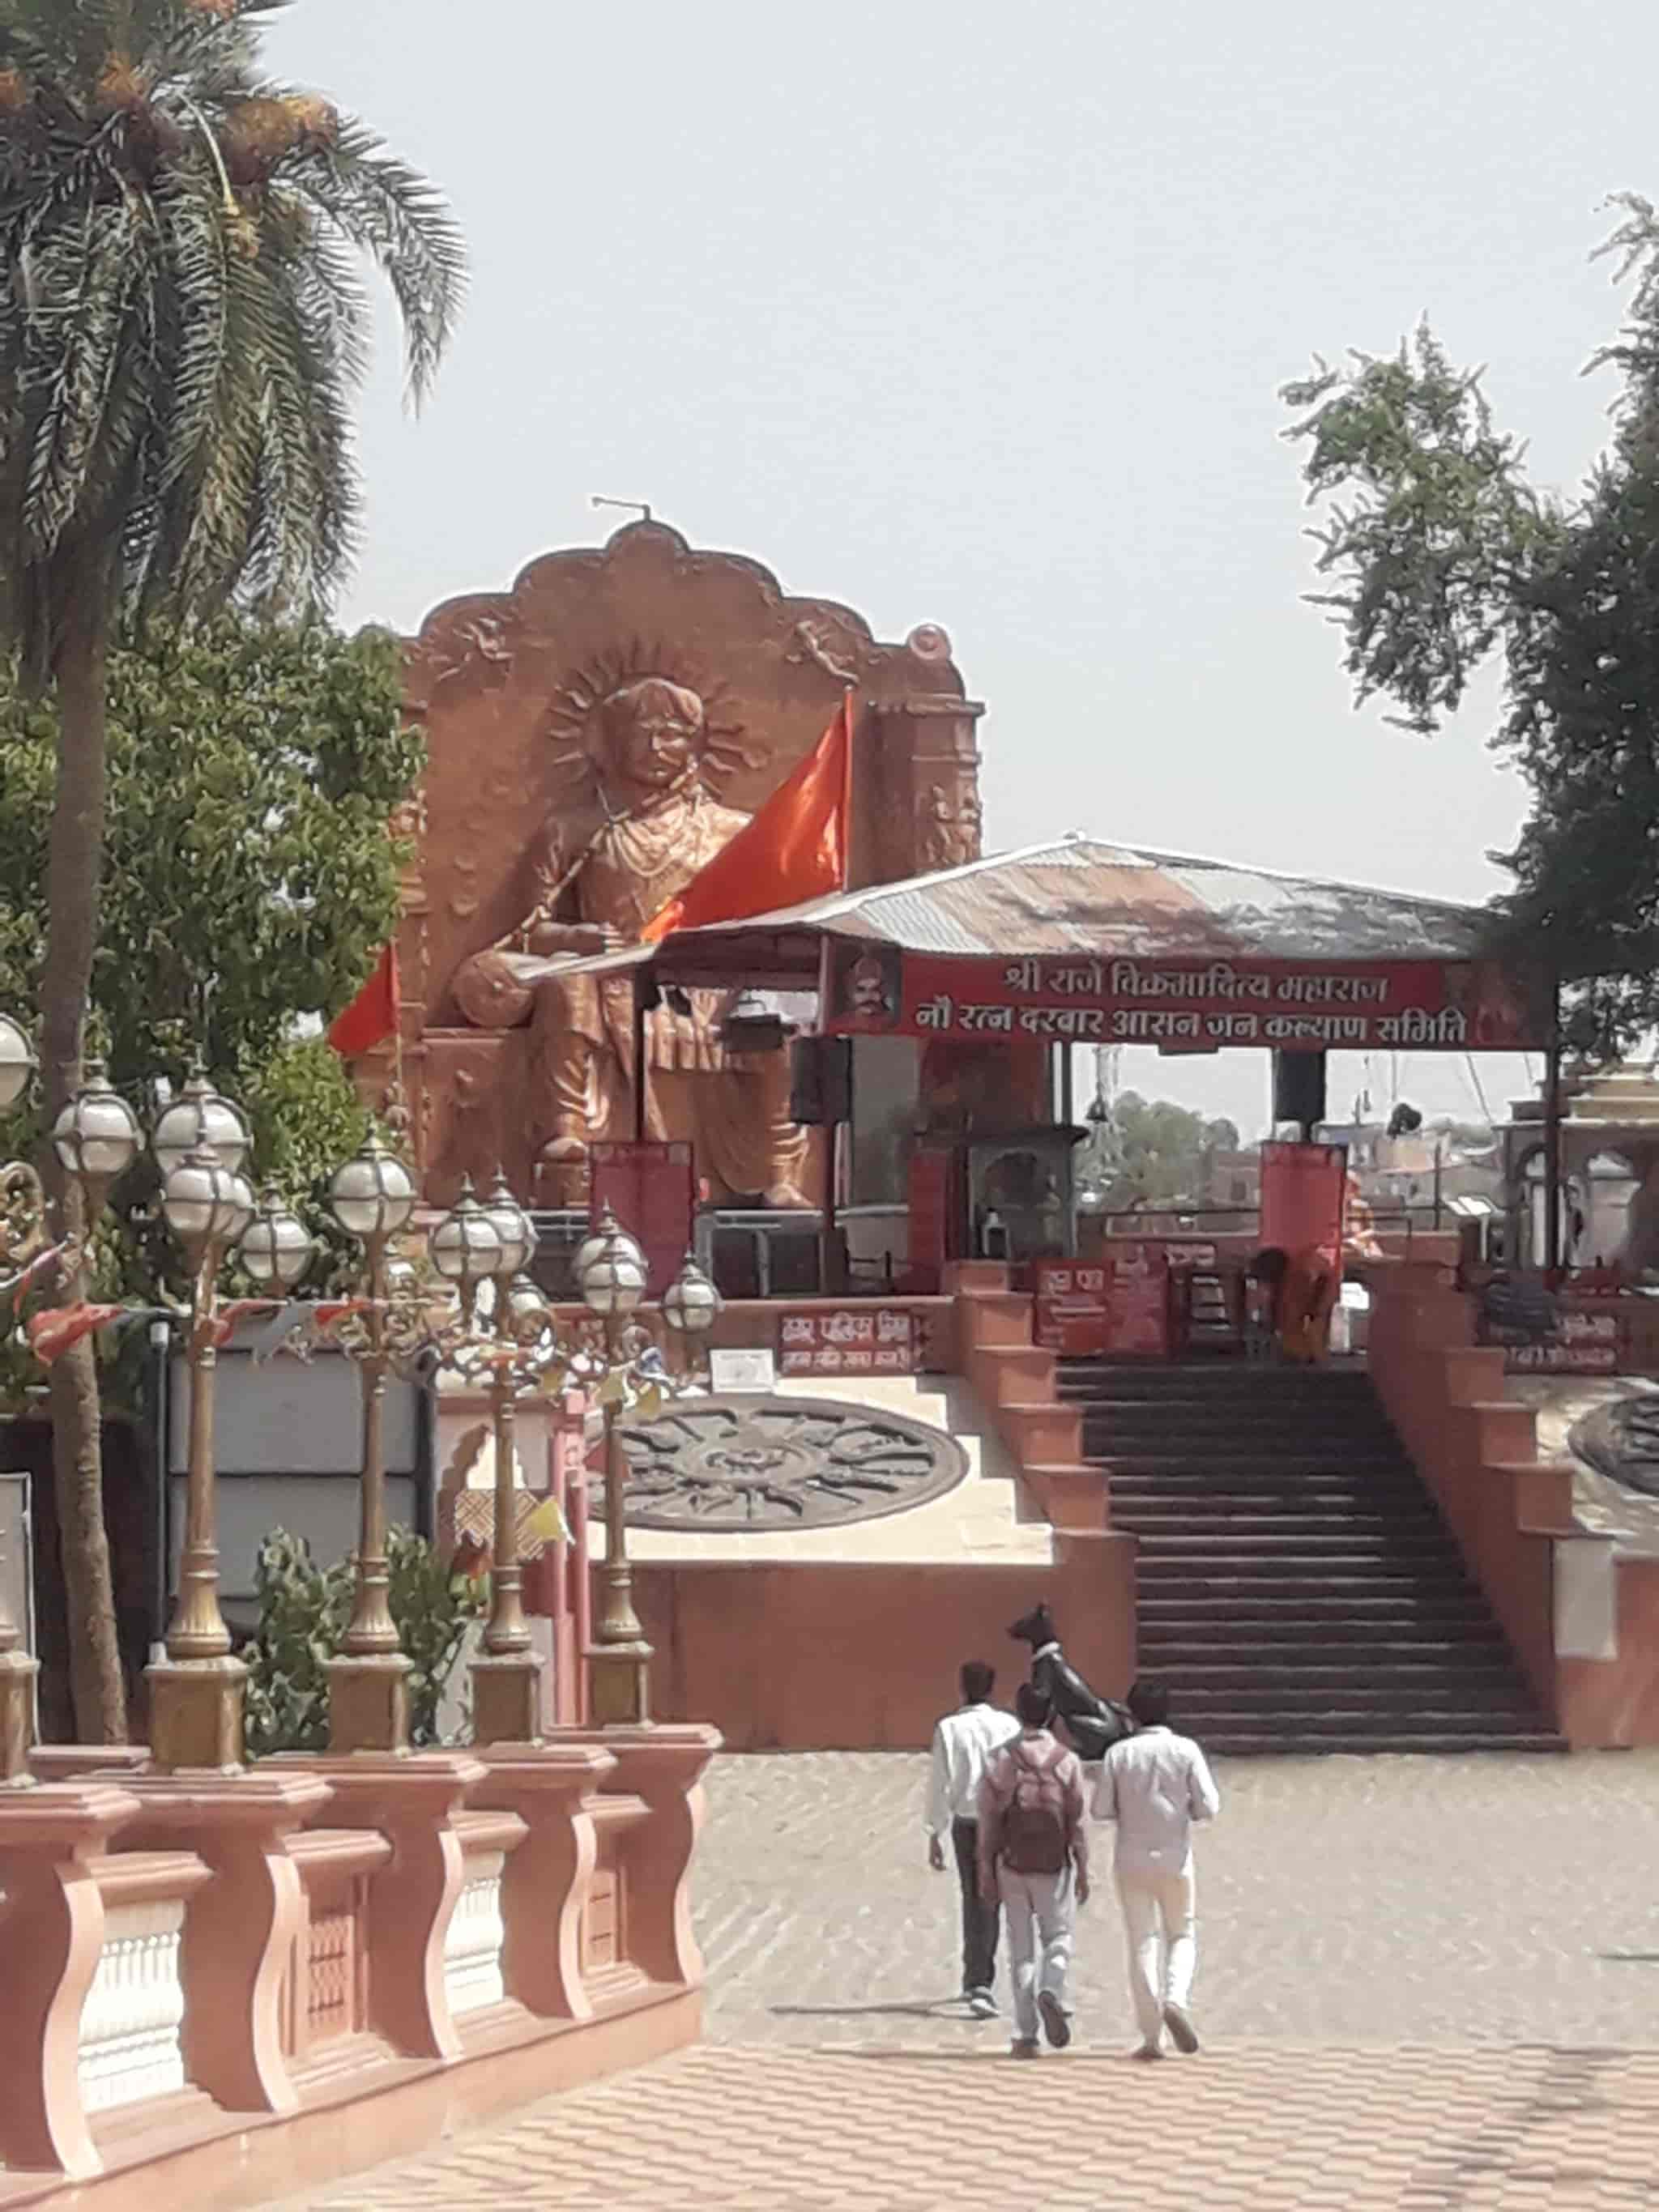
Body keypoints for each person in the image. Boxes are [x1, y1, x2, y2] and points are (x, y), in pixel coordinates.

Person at [1093, 1677, 1220, 2061]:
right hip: (1175, 1857)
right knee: (1182, 1933)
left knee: (1141, 1942)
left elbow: (1100, 1809)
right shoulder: (1186, 1750)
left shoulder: (1118, 1754)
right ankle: (1176, 1999)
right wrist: (1185, 1809)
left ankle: (1151, 2037)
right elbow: (1209, 1806)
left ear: (1132, 1714)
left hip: (1130, 1859)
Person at [977, 1681, 1090, 2058]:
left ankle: (1026, 2034)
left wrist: (985, 1868)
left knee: (1021, 1950)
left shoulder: (999, 1760)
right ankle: (1052, 1987)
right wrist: (1083, 1867)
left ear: (1017, 1711)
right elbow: (1078, 1822)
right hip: (1054, 1865)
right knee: (1058, 1937)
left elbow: (988, 1822)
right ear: (1052, 1715)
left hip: (1012, 1864)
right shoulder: (1067, 1761)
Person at [925, 1660, 1019, 2018]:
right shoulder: (1009, 1725)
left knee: (972, 1897)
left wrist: (934, 1831)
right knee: (993, 1898)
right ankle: (984, 1977)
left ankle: (977, 1978)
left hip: (966, 1822)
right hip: (1002, 1821)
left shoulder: (948, 1728)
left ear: (962, 1687)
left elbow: (939, 1783)